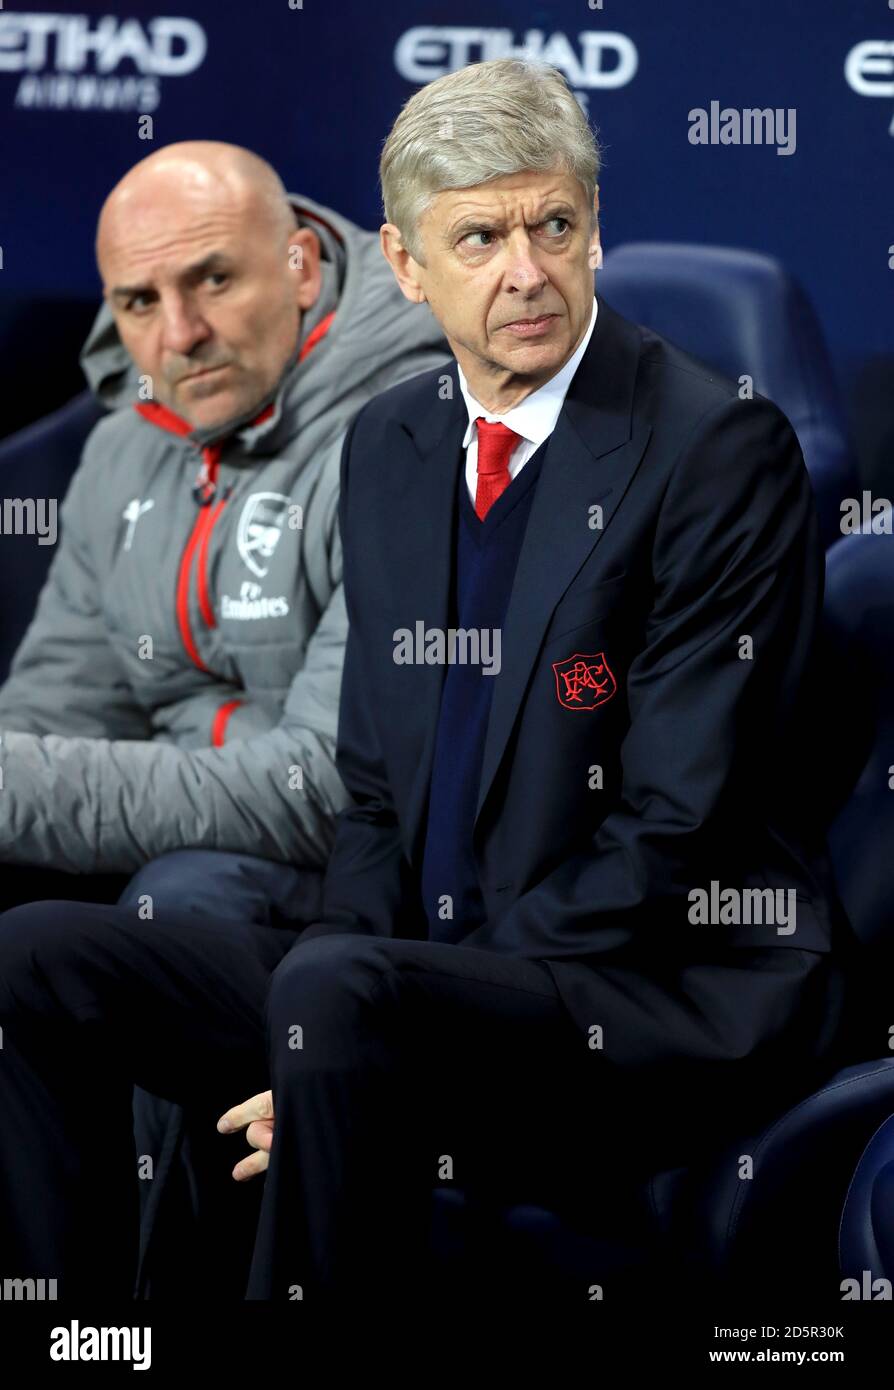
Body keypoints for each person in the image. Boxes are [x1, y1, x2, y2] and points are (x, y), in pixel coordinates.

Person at [0, 61, 856, 1305]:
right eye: (482, 238)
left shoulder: (717, 448)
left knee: (343, 996)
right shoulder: (395, 443)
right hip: (420, 965)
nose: (527, 272)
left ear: (593, 228)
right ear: (406, 266)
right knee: (35, 959)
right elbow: (376, 795)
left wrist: (391, 1017)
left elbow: (679, 829)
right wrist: (368, 974)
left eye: (553, 226)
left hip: (650, 978)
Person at [0, 139, 449, 1297]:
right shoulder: (121, 448)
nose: (177, 338)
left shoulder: (411, 428)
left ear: (303, 263)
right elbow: (51, 715)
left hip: (360, 885)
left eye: (213, 281)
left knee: (179, 895)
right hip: (197, 845)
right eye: (138, 302)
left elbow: (326, 787)